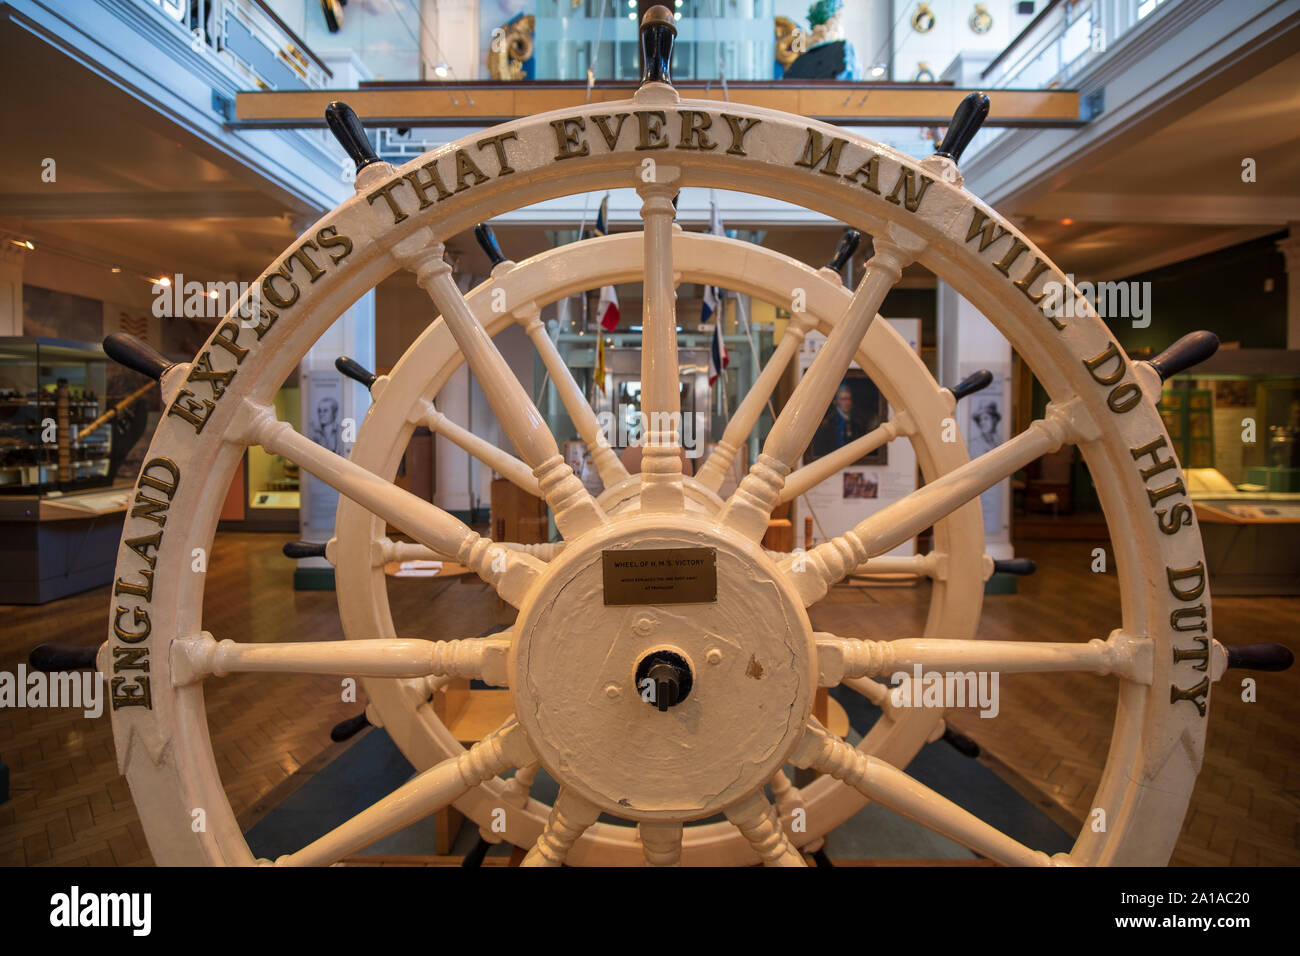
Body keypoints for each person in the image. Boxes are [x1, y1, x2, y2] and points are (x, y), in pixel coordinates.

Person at [812, 383, 870, 458]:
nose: (847, 402)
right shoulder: (827, 424)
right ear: (835, 401)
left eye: (849, 399)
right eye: (843, 399)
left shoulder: (858, 423)